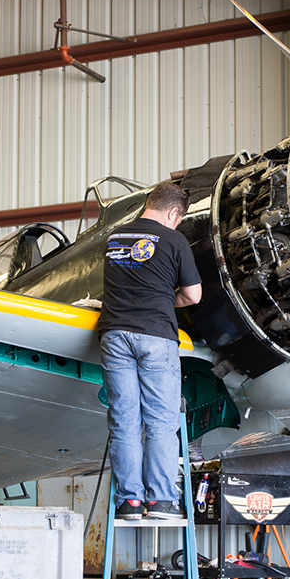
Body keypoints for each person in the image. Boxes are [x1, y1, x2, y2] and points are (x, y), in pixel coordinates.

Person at [97, 181, 201, 520]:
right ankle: (161, 501)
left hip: (113, 335)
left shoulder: (115, 238)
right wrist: (161, 300)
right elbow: (193, 296)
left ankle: (130, 502)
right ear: (173, 212)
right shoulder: (174, 239)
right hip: (155, 336)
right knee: (160, 422)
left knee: (124, 422)